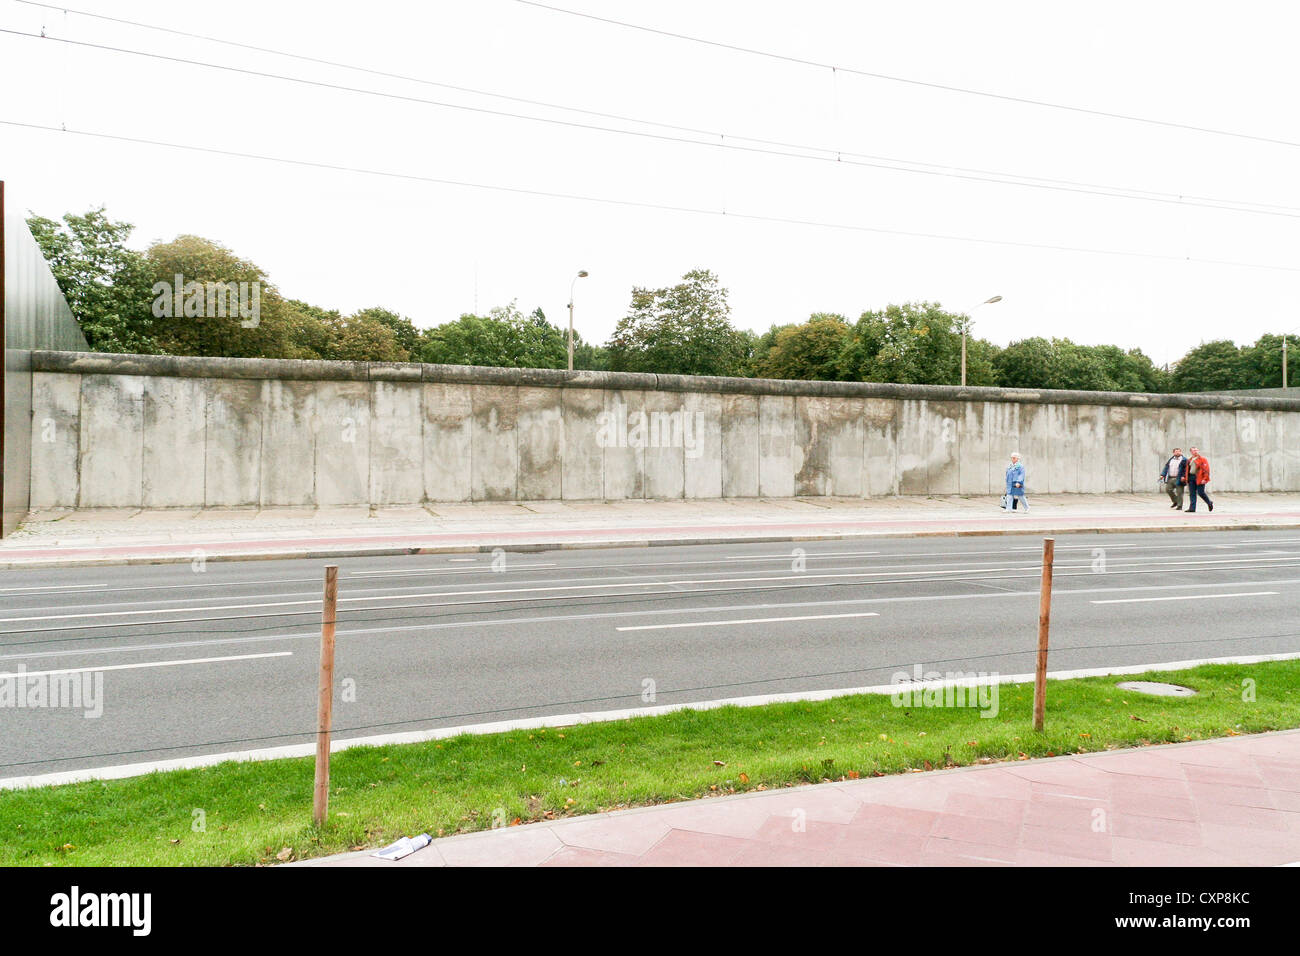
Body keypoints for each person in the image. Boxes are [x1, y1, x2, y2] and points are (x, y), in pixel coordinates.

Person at [1184, 446, 1213, 512]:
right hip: (1191, 477)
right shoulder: (1189, 460)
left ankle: (1209, 502)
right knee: (1192, 493)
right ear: (1191, 452)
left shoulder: (1203, 459)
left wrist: (1205, 478)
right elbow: (1187, 470)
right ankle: (1192, 508)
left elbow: (1206, 469)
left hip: (1199, 477)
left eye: (1196, 450)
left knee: (1201, 492)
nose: (1195, 451)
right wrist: (1186, 478)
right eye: (1194, 450)